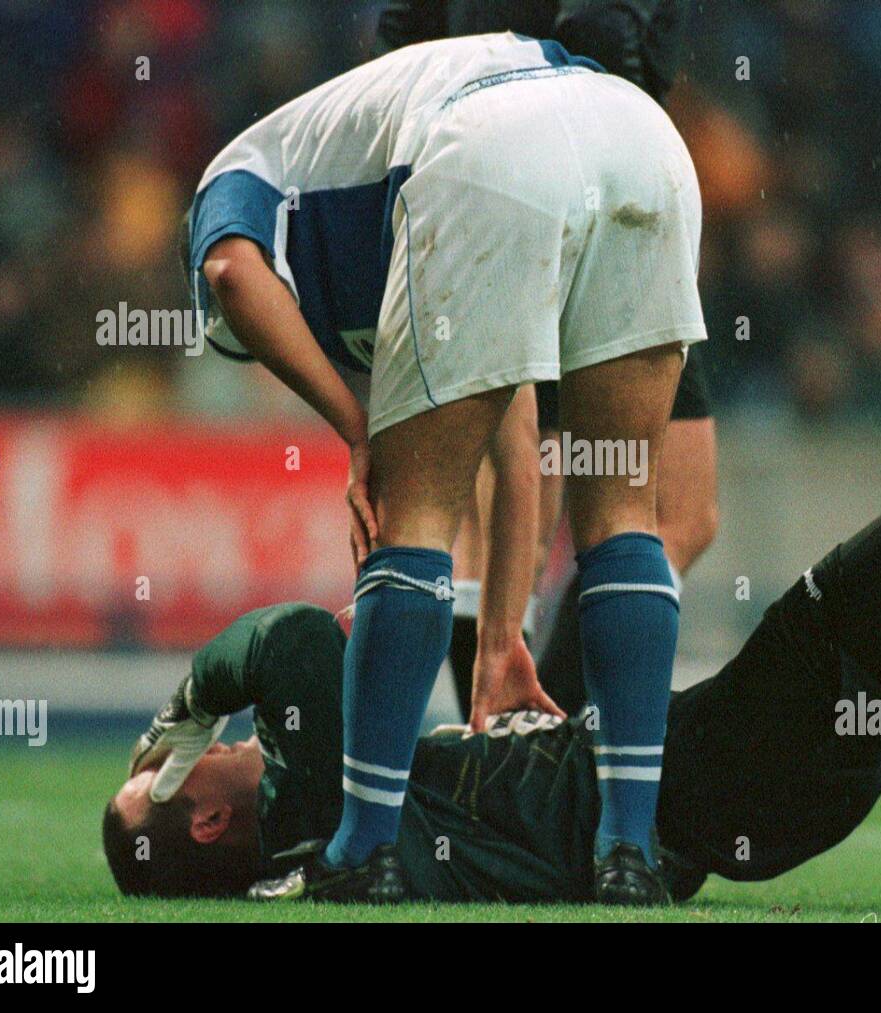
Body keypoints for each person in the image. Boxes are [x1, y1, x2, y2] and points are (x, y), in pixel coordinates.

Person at [105, 482, 881, 909]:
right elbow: (292, 641)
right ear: (206, 816)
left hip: (721, 781)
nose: (190, 749)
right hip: (708, 779)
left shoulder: (344, 813)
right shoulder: (312, 820)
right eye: (163, 773)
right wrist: (183, 708)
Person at [183, 31, 708, 902]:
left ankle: (364, 850)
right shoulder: (353, 174)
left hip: (487, 145)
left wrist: (356, 431)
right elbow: (517, 436)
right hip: (641, 136)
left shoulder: (231, 177)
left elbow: (232, 271)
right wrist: (501, 637)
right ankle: (627, 852)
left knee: (416, 513)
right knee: (623, 512)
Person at [370, 0, 719, 720]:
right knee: (554, 505)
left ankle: (525, 738)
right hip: (569, 183)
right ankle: (526, 741)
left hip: (546, 187)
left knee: (650, 512)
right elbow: (604, 31)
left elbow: (404, 32)